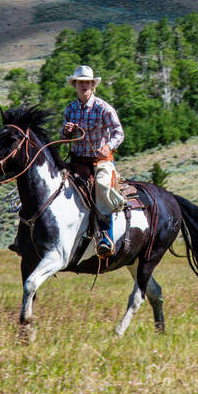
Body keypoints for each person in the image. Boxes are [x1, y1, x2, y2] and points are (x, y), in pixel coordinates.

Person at [62, 65, 127, 255]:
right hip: (77, 161)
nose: (84, 85)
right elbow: (63, 136)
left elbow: (119, 132)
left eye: (87, 82)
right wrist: (66, 131)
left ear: (93, 85)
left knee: (101, 185)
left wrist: (109, 146)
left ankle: (106, 236)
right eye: (80, 82)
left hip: (101, 161)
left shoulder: (103, 108)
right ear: (75, 85)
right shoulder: (70, 109)